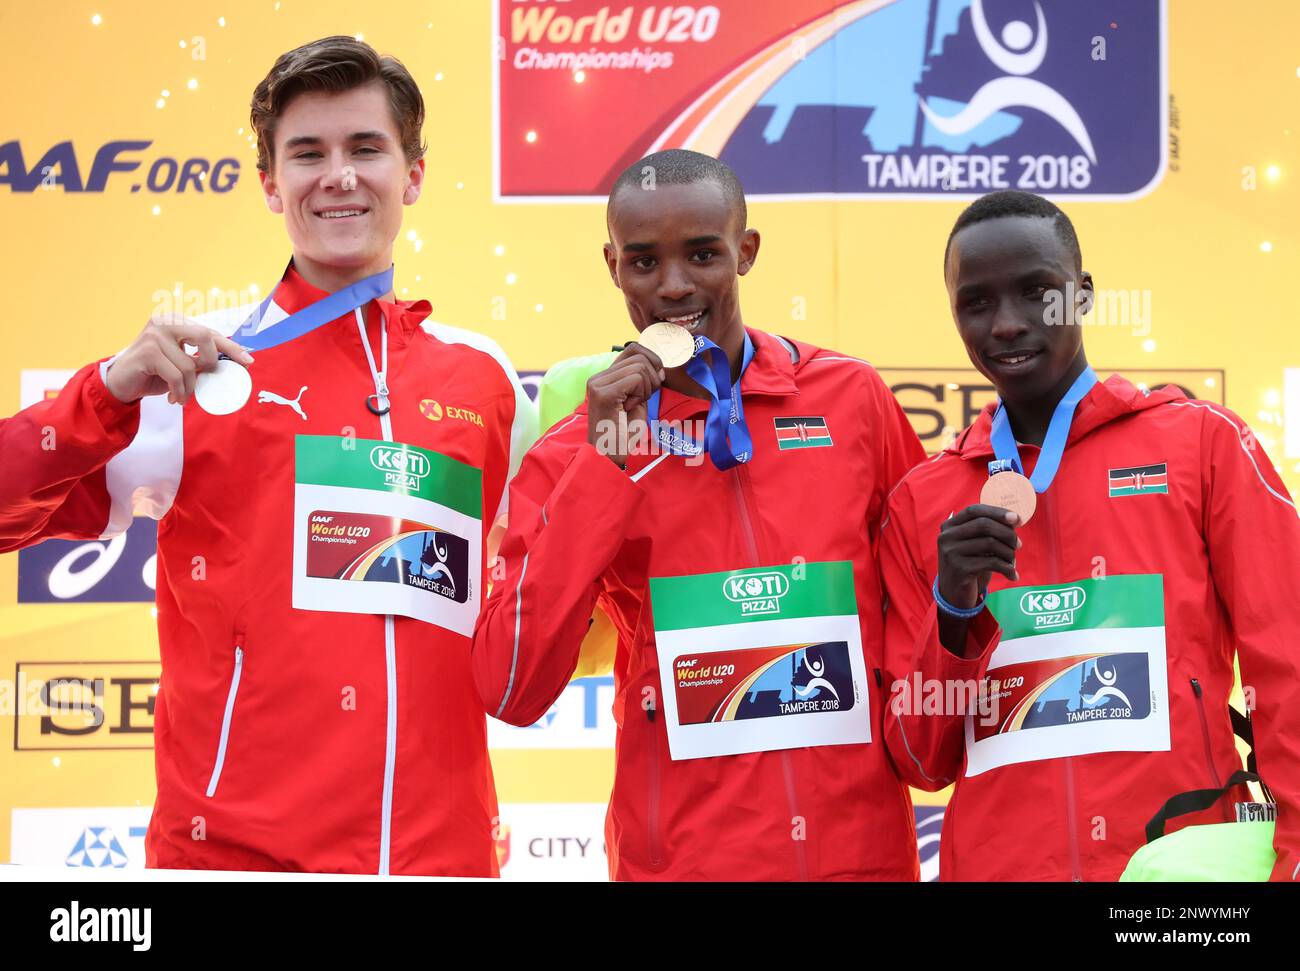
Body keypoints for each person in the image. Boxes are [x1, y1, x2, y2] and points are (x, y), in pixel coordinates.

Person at [0, 36, 536, 875]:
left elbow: (537, 596)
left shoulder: (487, 378)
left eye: (366, 148)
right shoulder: (195, 372)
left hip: (444, 859)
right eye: (307, 154)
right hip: (237, 862)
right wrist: (106, 391)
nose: (339, 175)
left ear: (415, 174)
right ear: (268, 184)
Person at [472, 149, 927, 880]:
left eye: (704, 254)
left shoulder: (851, 399)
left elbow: (928, 606)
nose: (675, 285)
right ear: (612, 266)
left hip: (860, 857)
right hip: (681, 862)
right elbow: (513, 686)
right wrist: (605, 462)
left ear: (745, 252)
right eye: (645, 262)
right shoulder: (575, 452)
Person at [880, 189, 1300, 881]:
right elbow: (921, 762)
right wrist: (953, 611)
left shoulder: (1201, 446)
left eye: (1037, 293)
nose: (1008, 324)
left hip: (1178, 875)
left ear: (1084, 294)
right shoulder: (923, 501)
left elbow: (1285, 664)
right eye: (976, 302)